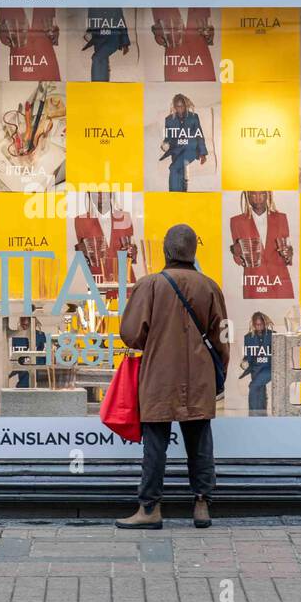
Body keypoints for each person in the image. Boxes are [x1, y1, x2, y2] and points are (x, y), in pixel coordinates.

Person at [116, 223, 229, 530]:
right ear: (193, 252)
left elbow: (129, 335)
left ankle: (150, 508)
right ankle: (202, 505)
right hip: (199, 378)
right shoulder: (210, 287)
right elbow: (222, 338)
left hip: (159, 378)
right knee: (200, 441)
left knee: (155, 444)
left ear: (166, 251)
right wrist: (220, 377)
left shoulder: (149, 285)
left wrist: (154, 340)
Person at [228, 190, 294, 298]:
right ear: (247, 195)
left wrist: (289, 254)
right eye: (253, 194)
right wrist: (235, 252)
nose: (258, 198)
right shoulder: (237, 222)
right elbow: (239, 260)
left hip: (281, 284)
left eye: (262, 194)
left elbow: (287, 250)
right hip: (255, 285)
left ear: (268, 194)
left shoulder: (281, 218)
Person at [159, 93, 208, 192]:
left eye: (182, 106)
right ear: (175, 107)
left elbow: (199, 135)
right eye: (178, 106)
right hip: (177, 150)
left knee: (173, 168)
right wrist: (165, 144)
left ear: (186, 106)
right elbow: (168, 137)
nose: (180, 108)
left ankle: (174, 195)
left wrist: (202, 153)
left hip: (191, 148)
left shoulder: (193, 117)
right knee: (180, 170)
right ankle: (182, 194)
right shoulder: (169, 120)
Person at [81, 7, 131, 81]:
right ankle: (103, 86)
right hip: (98, 39)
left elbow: (122, 23)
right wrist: (89, 34)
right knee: (103, 61)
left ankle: (96, 86)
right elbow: (91, 22)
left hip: (113, 39)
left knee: (96, 58)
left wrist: (125, 43)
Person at [239, 312, 274, 416]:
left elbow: (277, 354)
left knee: (254, 386)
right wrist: (244, 361)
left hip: (269, 368)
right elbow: (247, 355)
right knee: (260, 389)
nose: (259, 327)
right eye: (257, 325)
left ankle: (253, 415)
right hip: (255, 368)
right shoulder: (248, 337)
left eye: (261, 324)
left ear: (265, 323)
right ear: (253, 324)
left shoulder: (273, 335)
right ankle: (262, 416)